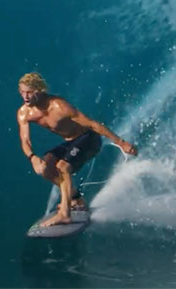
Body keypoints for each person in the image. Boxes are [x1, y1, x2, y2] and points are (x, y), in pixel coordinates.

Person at [16, 72, 138, 227]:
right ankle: (76, 199)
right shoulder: (24, 113)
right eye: (22, 92)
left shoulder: (59, 106)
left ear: (39, 90)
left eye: (29, 92)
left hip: (89, 139)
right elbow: (25, 140)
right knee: (45, 169)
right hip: (70, 142)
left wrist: (122, 143)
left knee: (63, 167)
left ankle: (64, 214)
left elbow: (93, 124)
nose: (25, 96)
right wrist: (32, 157)